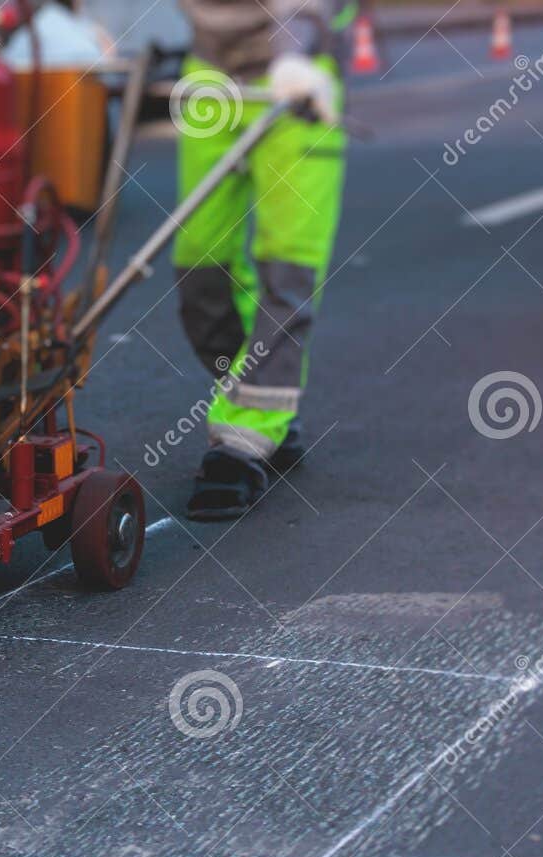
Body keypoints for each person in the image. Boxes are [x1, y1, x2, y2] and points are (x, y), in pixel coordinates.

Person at [174, 0, 346, 520]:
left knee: (286, 270)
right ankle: (263, 397)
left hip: (298, 79)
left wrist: (296, 53)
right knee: (199, 266)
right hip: (210, 74)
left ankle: (242, 443)